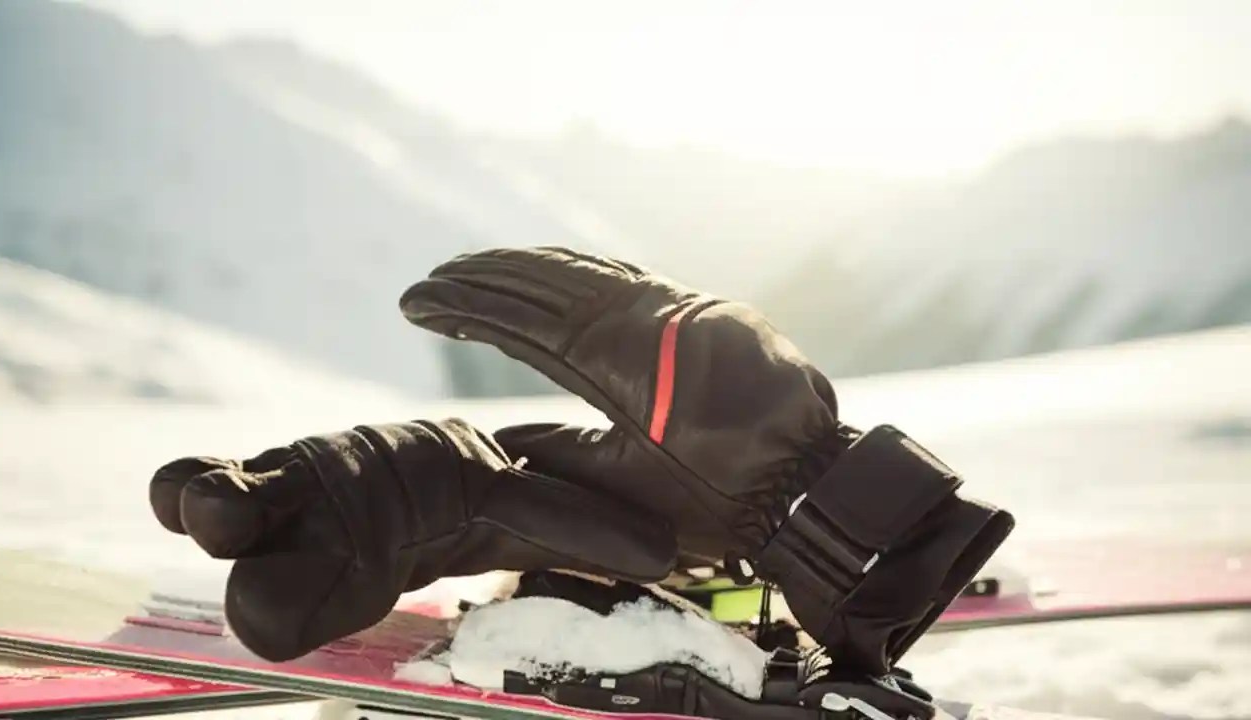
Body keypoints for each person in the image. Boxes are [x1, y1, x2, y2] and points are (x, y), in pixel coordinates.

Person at [150, 247, 1014, 719]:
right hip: (786, 561)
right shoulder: (705, 501)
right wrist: (794, 511)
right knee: (522, 485)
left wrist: (789, 493)